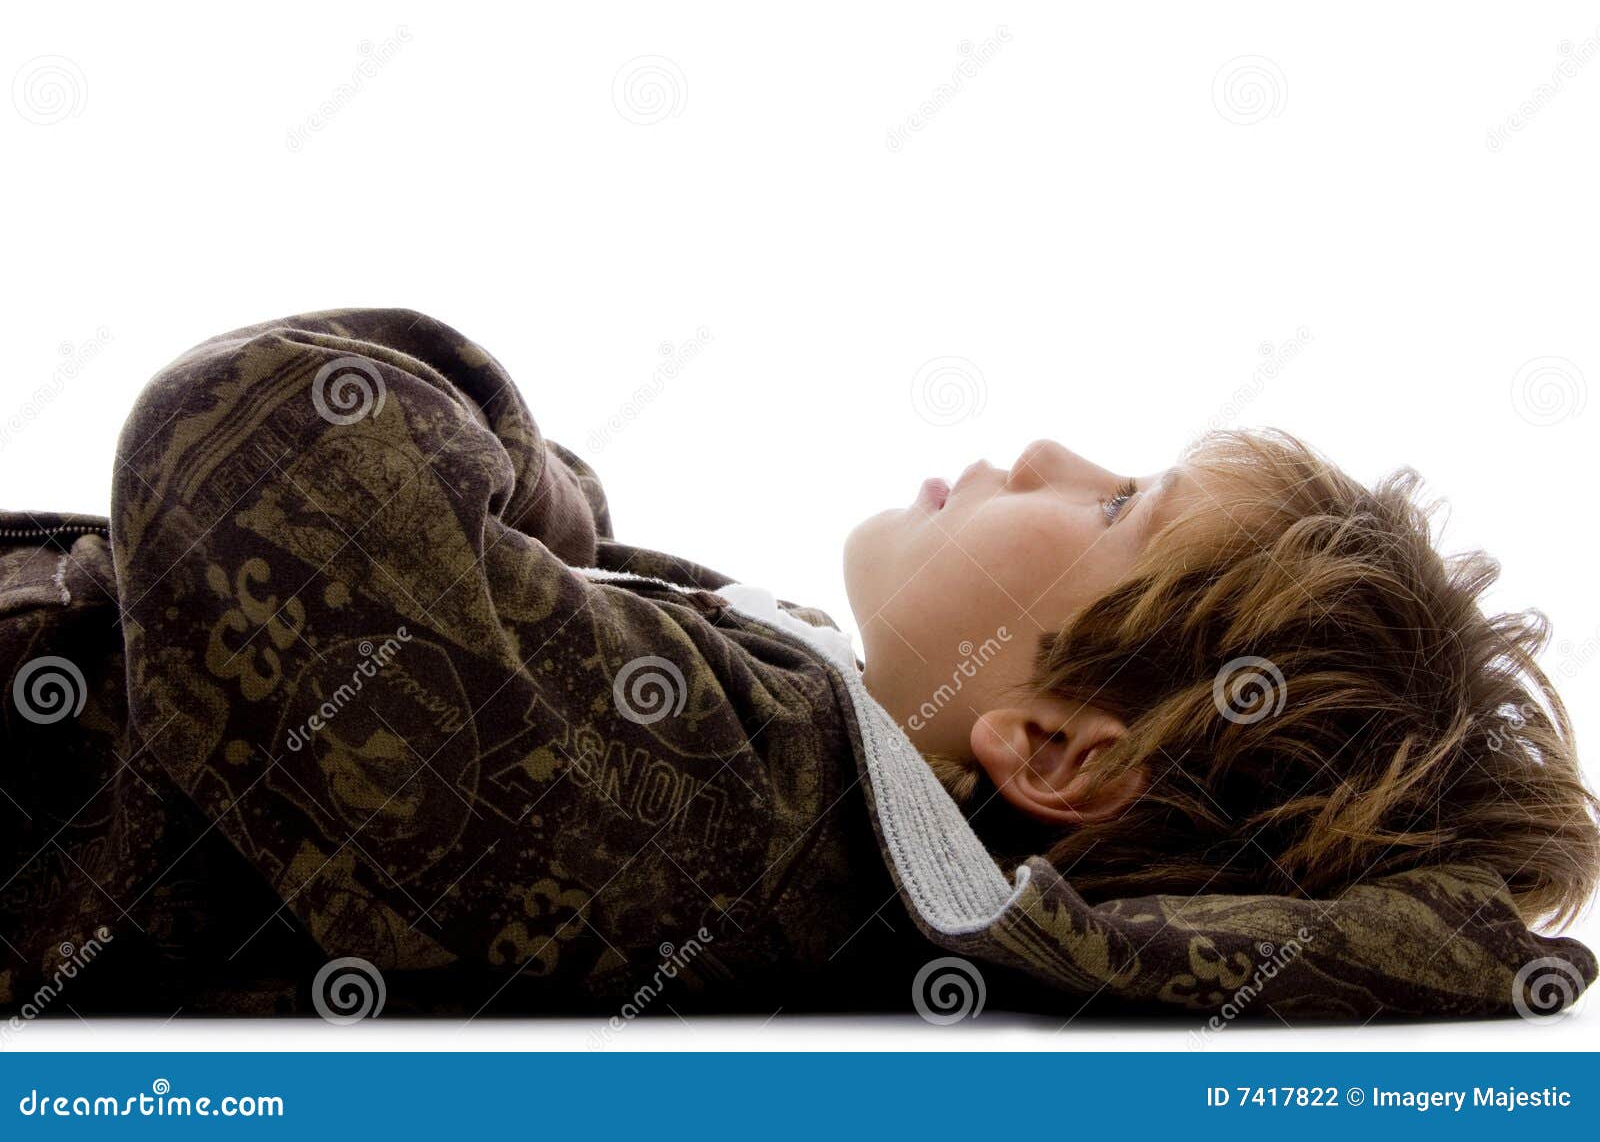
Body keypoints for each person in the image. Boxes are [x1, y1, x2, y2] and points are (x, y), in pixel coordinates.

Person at [2, 308, 1594, 1021]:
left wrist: (518, 467)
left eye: (1116, 504)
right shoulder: (769, 784)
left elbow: (263, 443)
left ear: (1054, 748)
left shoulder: (750, 794)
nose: (1045, 443)